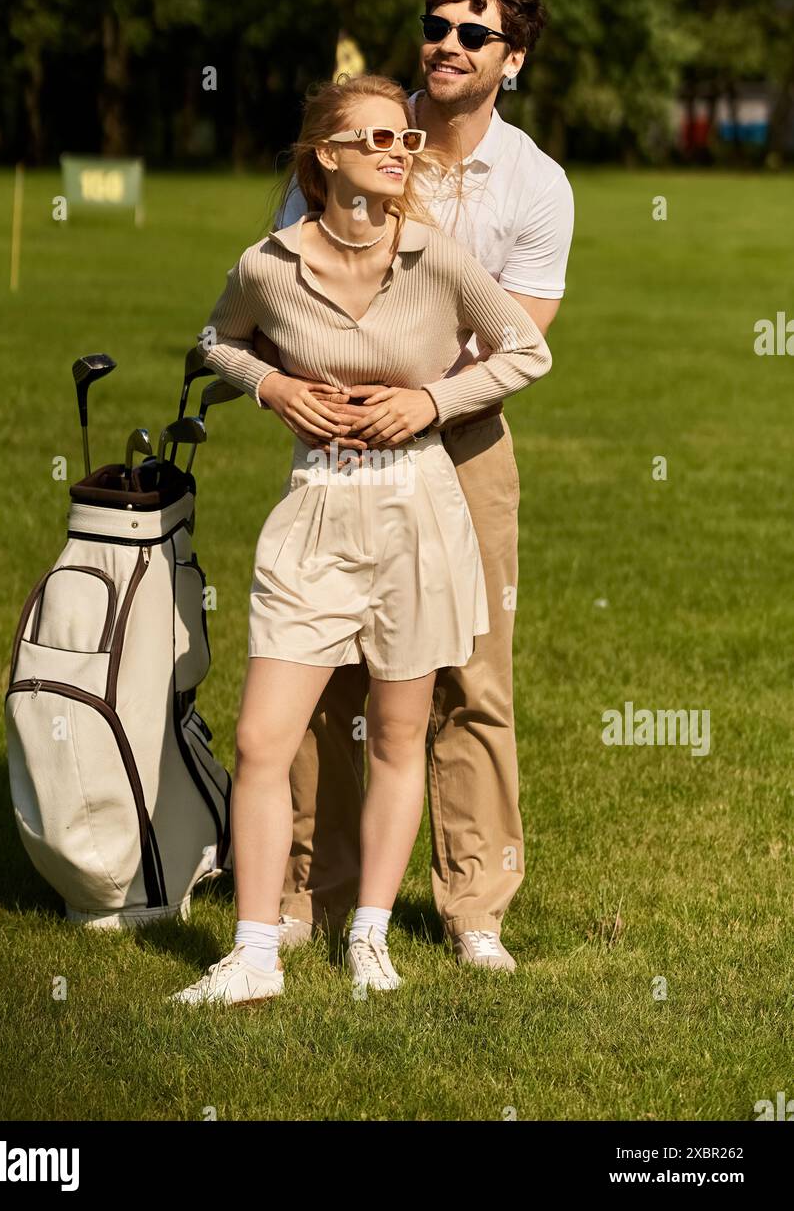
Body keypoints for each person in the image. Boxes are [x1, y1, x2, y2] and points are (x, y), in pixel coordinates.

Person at [170, 73, 551, 1007]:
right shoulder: (269, 264)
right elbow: (216, 343)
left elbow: (526, 349)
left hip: (421, 508)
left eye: (405, 141)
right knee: (264, 738)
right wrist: (274, 389)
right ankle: (255, 954)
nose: (398, 150)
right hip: (314, 514)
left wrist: (430, 400)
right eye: (376, 138)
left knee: (396, 734)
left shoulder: (440, 256)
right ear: (326, 157)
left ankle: (370, 940)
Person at [273, 0, 573, 971]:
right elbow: (281, 289)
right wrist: (312, 402)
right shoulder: (353, 132)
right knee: (324, 679)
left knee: (470, 681)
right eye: (436, 26)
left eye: (472, 33)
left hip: (465, 449)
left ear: (513, 56)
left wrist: (424, 402)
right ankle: (304, 897)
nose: (447, 45)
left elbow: (519, 344)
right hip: (341, 441)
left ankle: (473, 908)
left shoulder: (535, 182)